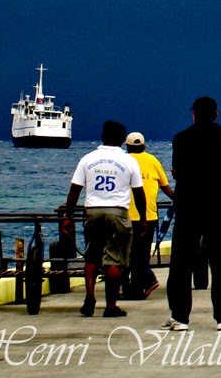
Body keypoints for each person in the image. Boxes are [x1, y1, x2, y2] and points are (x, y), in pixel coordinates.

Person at [167, 95, 221, 331]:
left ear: (194, 115)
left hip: (188, 205)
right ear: (216, 114)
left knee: (181, 262)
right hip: (217, 206)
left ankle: (179, 317)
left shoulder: (181, 139)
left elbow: (177, 171)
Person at [64, 120, 145, 319]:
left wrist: (68, 215)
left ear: (102, 136)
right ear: (121, 140)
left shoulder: (88, 159)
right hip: (117, 211)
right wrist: (142, 219)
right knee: (114, 260)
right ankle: (110, 306)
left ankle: (90, 296)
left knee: (91, 256)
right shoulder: (129, 161)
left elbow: (75, 190)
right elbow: (139, 193)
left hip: (92, 210)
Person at [124, 132, 172, 300]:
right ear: (144, 146)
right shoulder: (153, 160)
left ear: (127, 146)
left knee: (128, 254)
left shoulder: (124, 160)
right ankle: (141, 284)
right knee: (141, 253)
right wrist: (177, 199)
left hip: (126, 215)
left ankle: (138, 286)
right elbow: (165, 185)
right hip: (149, 215)